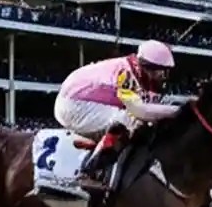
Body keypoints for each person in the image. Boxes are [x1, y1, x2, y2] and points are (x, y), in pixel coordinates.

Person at [53, 40, 180, 184]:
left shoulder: (136, 71)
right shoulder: (125, 74)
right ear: (149, 68)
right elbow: (140, 111)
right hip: (73, 104)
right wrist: (177, 111)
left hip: (83, 101)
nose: (163, 77)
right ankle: (90, 171)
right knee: (128, 120)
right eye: (161, 71)